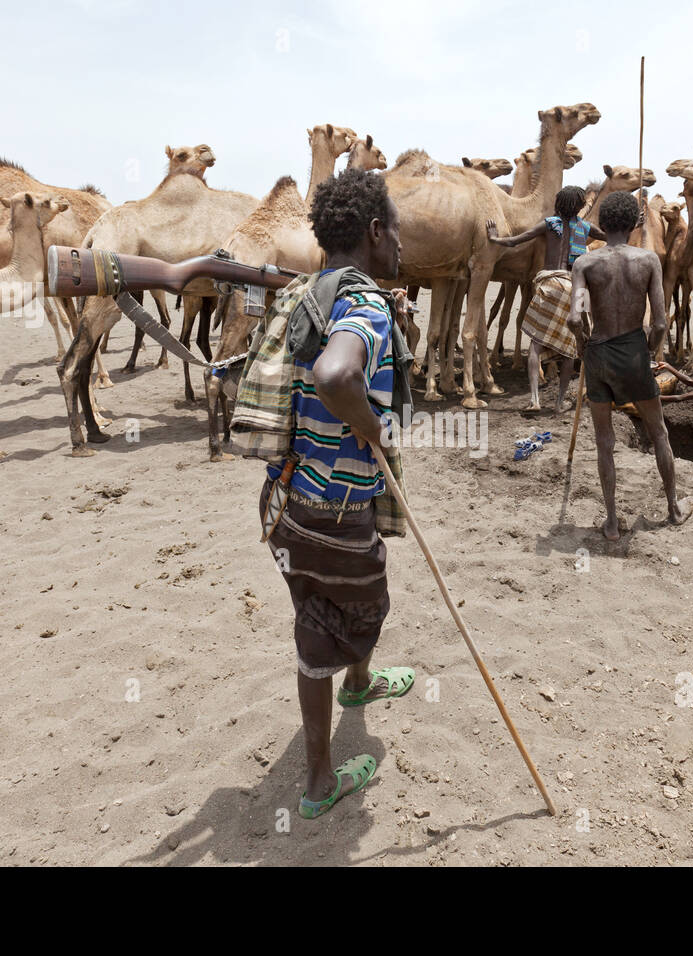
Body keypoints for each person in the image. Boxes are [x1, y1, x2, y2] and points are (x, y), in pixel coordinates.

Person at [261, 168, 415, 819]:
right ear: (376, 233)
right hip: (343, 510)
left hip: (294, 503)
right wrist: (371, 425)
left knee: (318, 614)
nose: (403, 247)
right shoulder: (364, 305)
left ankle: (358, 684)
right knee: (354, 611)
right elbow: (335, 372)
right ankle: (321, 783)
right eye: (398, 233)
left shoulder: (308, 296)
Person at [567, 191, 693, 540]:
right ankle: (672, 507)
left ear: (603, 225)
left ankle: (611, 522)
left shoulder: (585, 264)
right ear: (636, 223)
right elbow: (659, 324)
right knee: (658, 433)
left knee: (604, 441)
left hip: (599, 354)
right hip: (634, 352)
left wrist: (583, 347)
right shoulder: (648, 260)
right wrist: (651, 353)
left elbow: (575, 318)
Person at [486, 186, 610, 412]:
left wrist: (495, 238)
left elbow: (516, 241)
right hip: (575, 287)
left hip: (550, 284)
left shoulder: (549, 224)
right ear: (581, 206)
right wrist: (634, 225)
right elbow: (612, 237)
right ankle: (560, 402)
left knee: (535, 343)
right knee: (570, 348)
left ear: (558, 203)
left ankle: (534, 400)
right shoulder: (585, 227)